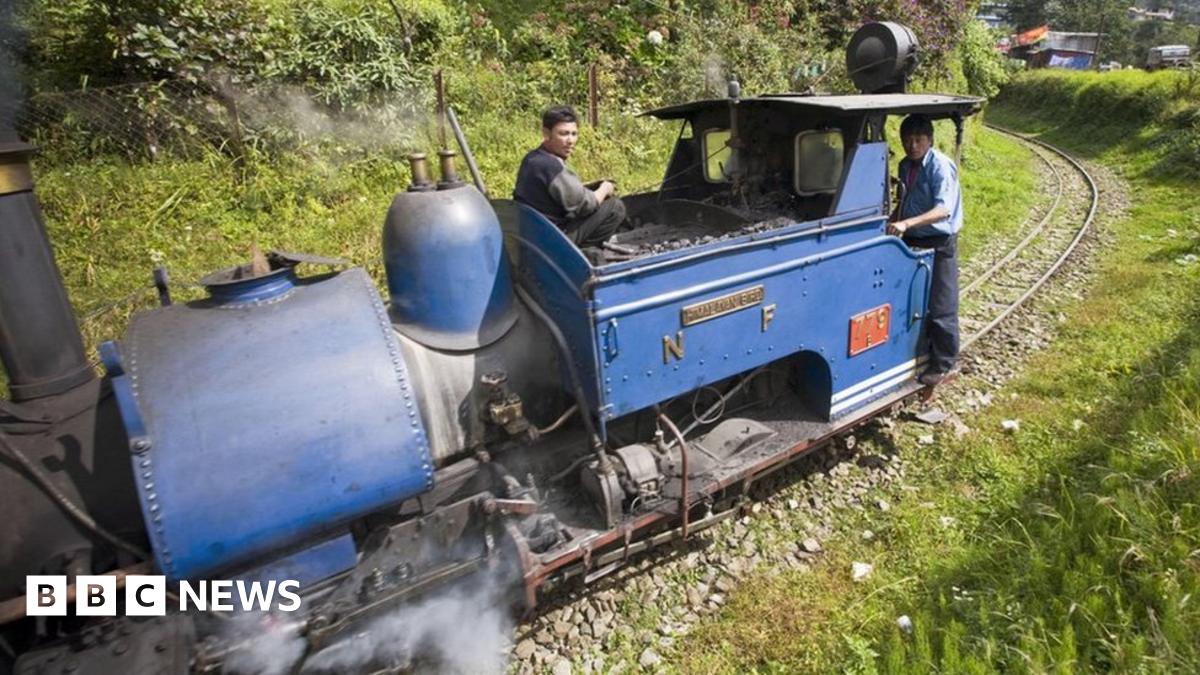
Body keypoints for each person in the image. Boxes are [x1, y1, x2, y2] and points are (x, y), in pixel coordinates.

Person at [886, 114, 962, 387]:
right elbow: (904, 200)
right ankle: (913, 354)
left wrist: (906, 223)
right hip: (911, 240)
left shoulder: (940, 166)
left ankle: (945, 365)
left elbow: (943, 210)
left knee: (941, 304)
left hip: (939, 241)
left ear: (929, 140)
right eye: (908, 140)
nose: (913, 145)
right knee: (909, 301)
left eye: (918, 140)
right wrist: (891, 221)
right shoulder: (905, 165)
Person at [513, 105, 626, 247]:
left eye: (574, 134)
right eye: (563, 134)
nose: (570, 140)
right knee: (615, 206)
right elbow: (586, 205)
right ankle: (585, 253)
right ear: (546, 133)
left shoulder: (532, 158)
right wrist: (605, 188)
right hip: (553, 241)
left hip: (532, 234)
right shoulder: (551, 166)